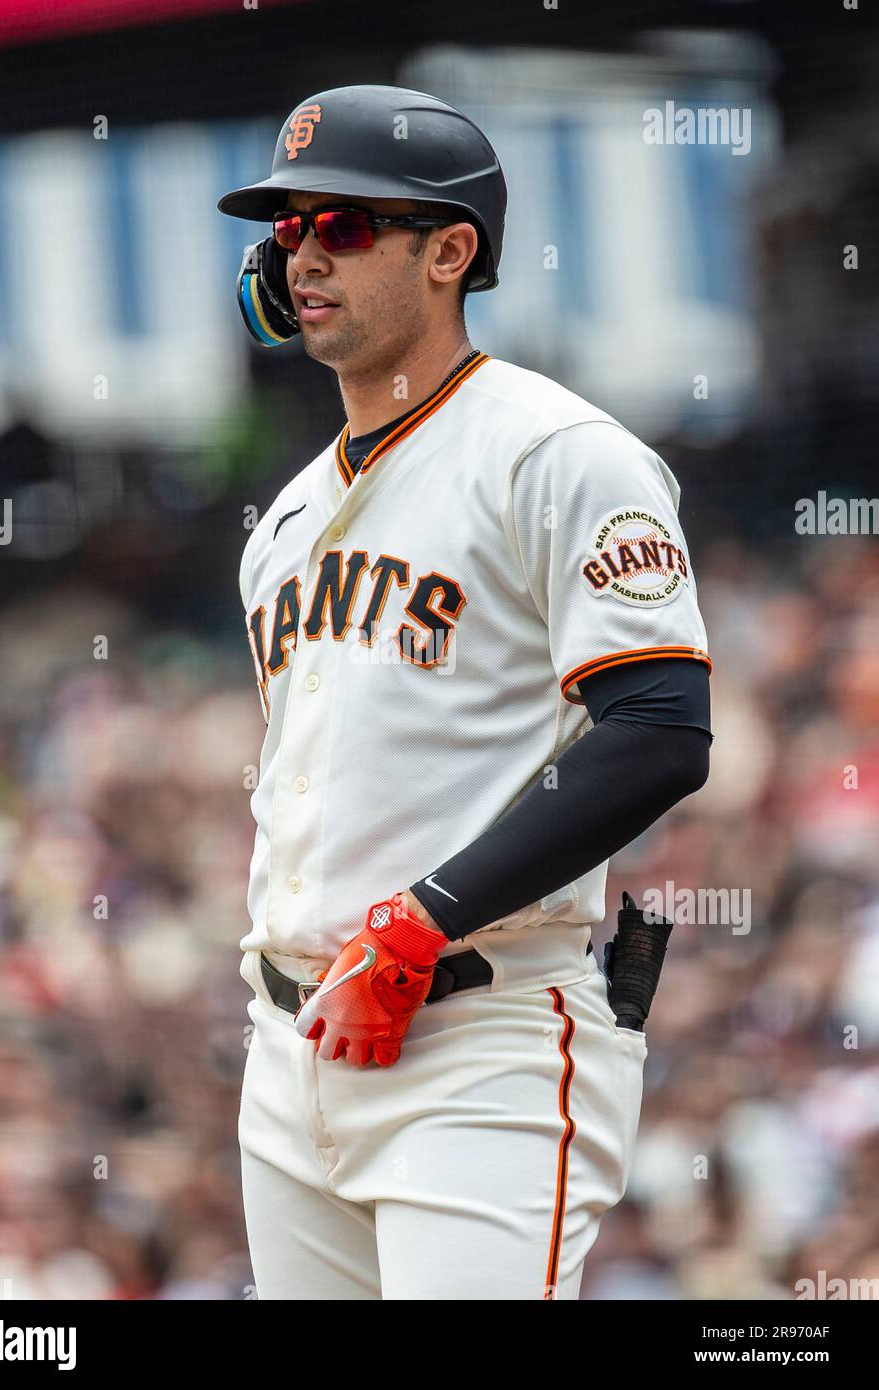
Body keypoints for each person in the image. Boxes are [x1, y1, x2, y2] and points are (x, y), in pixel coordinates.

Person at [219, 84, 712, 1300]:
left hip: (477, 1034)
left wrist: (430, 911)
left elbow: (658, 731)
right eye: (287, 230)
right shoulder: (279, 522)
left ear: (450, 251)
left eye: (341, 223)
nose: (304, 253)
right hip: (292, 1044)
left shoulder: (557, 452)